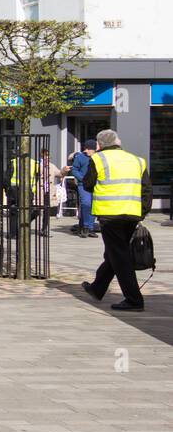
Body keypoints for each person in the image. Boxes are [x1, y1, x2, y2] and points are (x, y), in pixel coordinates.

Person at [81, 129, 152, 311]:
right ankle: (97, 288)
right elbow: (146, 191)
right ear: (118, 142)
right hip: (131, 214)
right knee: (114, 253)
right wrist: (141, 213)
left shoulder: (98, 159)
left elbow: (88, 184)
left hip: (110, 215)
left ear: (99, 145)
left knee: (120, 257)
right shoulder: (138, 160)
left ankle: (134, 300)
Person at [69, 140, 98, 236]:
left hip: (95, 185)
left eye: (90, 149)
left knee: (94, 205)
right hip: (83, 185)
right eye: (86, 148)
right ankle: (85, 226)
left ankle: (90, 228)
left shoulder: (97, 157)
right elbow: (74, 169)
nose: (87, 151)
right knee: (86, 203)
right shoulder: (80, 157)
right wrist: (82, 179)